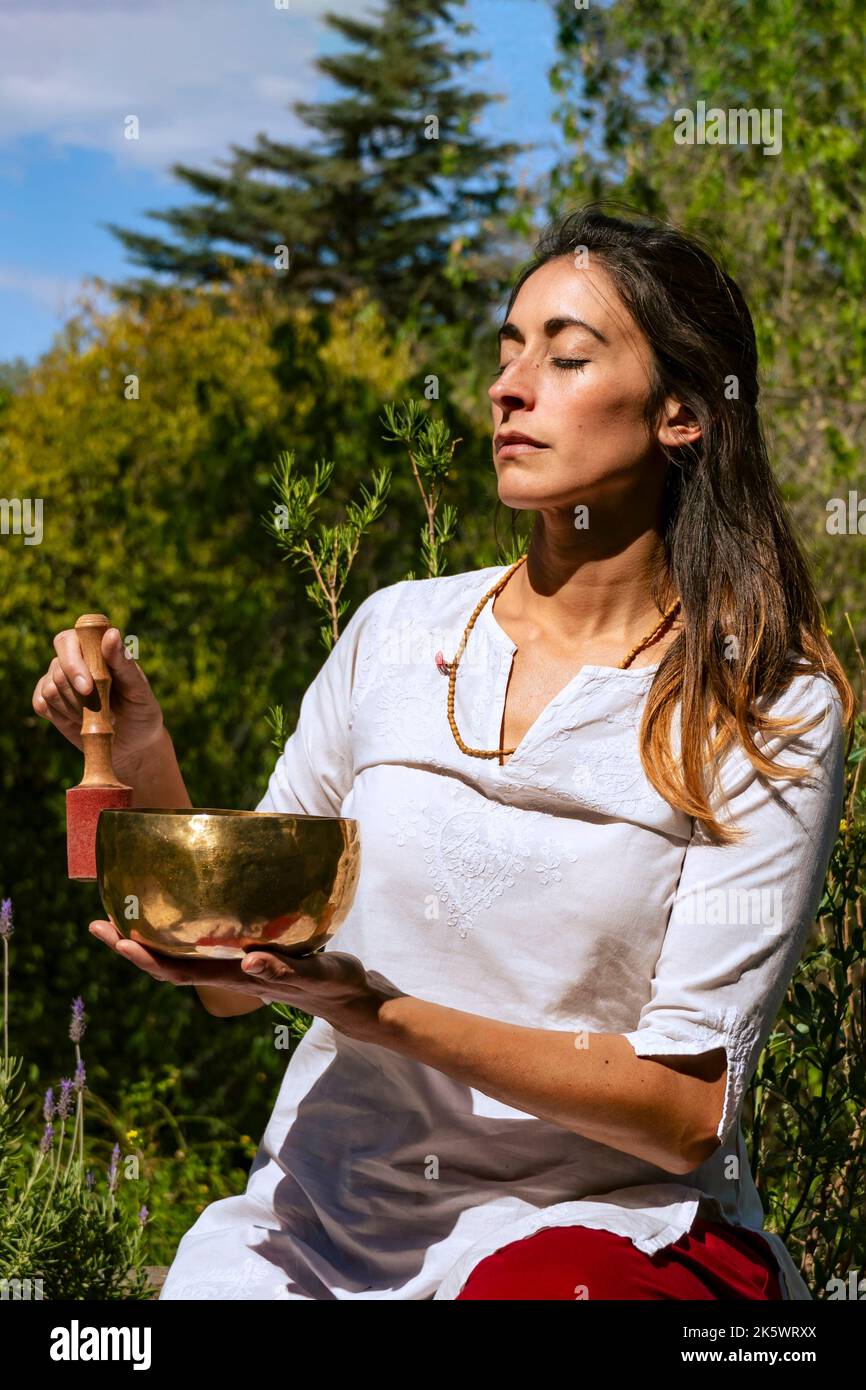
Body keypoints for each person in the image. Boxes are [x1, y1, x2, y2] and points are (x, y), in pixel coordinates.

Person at [34, 207, 855, 1301]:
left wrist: (371, 1011)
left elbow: (681, 1115)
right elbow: (238, 979)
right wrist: (138, 749)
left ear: (681, 414)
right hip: (318, 1221)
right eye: (506, 350)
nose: (508, 386)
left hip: (598, 1230)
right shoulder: (394, 631)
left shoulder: (762, 702)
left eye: (565, 356)